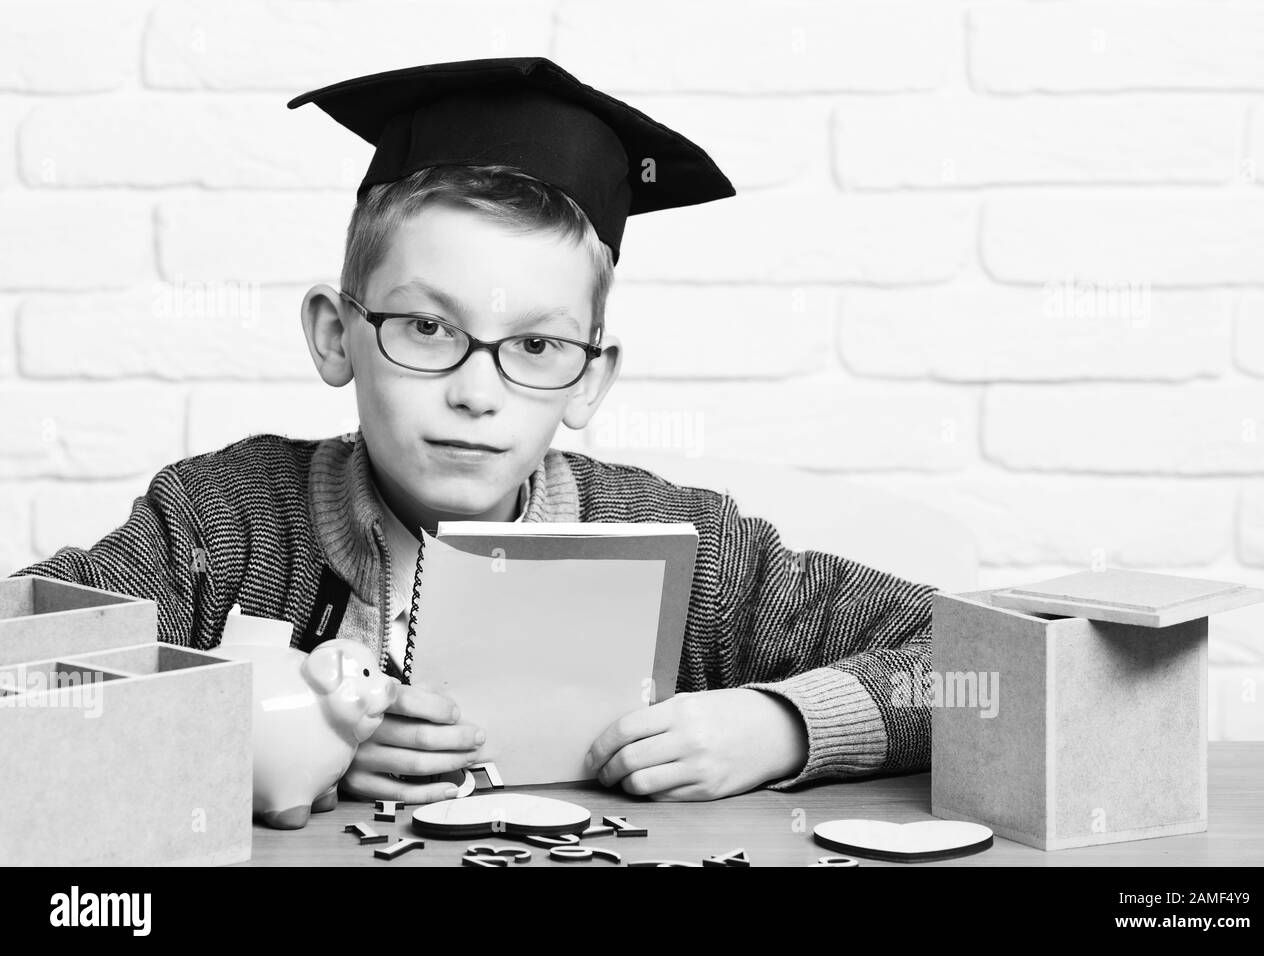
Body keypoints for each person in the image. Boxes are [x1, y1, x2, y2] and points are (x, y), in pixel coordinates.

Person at [13, 57, 937, 804]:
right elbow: (29, 674)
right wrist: (267, 739)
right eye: (427, 329)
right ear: (338, 337)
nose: (476, 392)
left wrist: (780, 727)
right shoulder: (217, 522)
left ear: (590, 379)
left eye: (536, 343)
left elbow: (978, 663)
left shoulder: (691, 556)